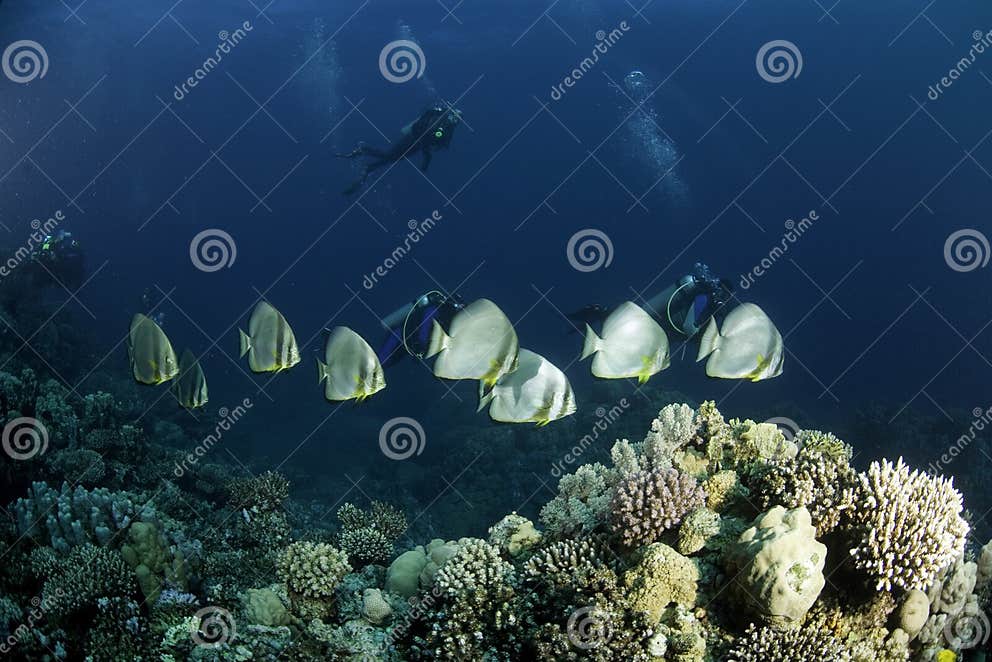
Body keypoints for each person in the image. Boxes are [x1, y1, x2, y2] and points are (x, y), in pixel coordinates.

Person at [568, 263, 733, 339]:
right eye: (725, 297)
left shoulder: (705, 299)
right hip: (658, 320)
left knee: (626, 324)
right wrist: (705, 340)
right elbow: (688, 326)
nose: (724, 301)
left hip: (659, 321)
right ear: (720, 291)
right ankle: (597, 314)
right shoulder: (704, 298)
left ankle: (596, 316)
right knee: (628, 326)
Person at [336, 102, 462, 195]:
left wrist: (426, 161)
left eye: (457, 120)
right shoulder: (439, 119)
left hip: (418, 145)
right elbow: (427, 129)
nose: (454, 121)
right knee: (389, 155)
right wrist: (426, 159)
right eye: (454, 117)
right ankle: (363, 150)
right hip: (412, 138)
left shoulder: (448, 131)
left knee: (394, 159)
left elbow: (432, 144)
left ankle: (369, 168)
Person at [377, 290, 464, 366]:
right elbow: (424, 326)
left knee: (385, 364)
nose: (457, 310)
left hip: (408, 345)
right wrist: (421, 347)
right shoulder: (436, 308)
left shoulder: (447, 319)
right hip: (399, 335)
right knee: (379, 362)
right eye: (458, 307)